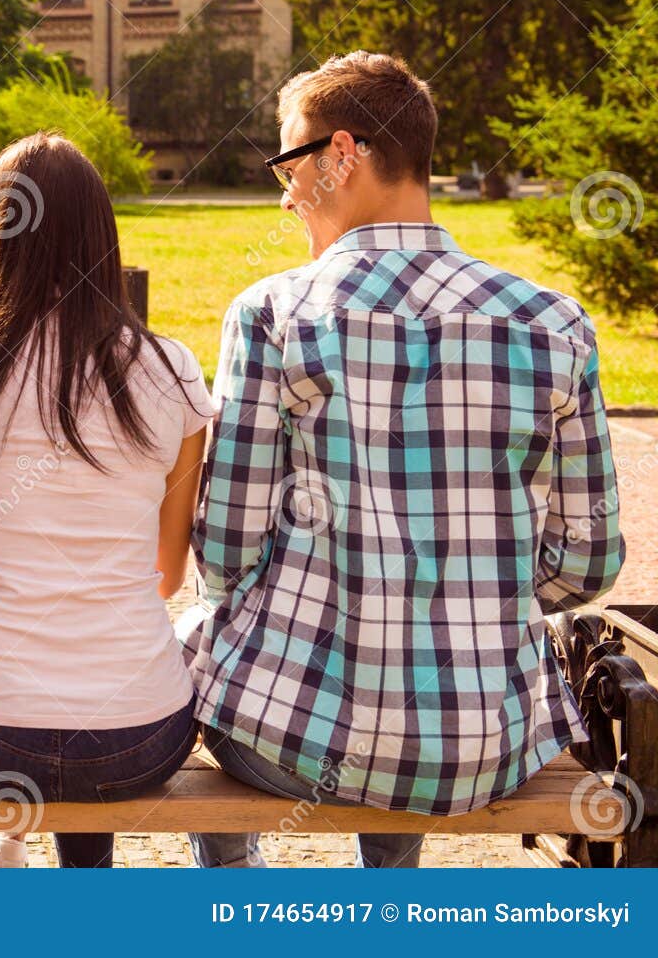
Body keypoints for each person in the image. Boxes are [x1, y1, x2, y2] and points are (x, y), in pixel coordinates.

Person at [185, 51, 625, 868]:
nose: (284, 193)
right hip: (478, 746)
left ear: (342, 155)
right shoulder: (555, 325)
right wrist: (465, 592)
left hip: (291, 743)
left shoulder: (274, 315)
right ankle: (385, 908)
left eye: (289, 162)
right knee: (406, 719)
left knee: (204, 660)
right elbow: (588, 563)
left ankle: (236, 903)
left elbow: (224, 553)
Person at [0, 135, 210, 869]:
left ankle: (4, 837)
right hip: (139, 733)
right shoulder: (172, 369)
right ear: (103, 237)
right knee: (93, 742)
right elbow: (168, 572)